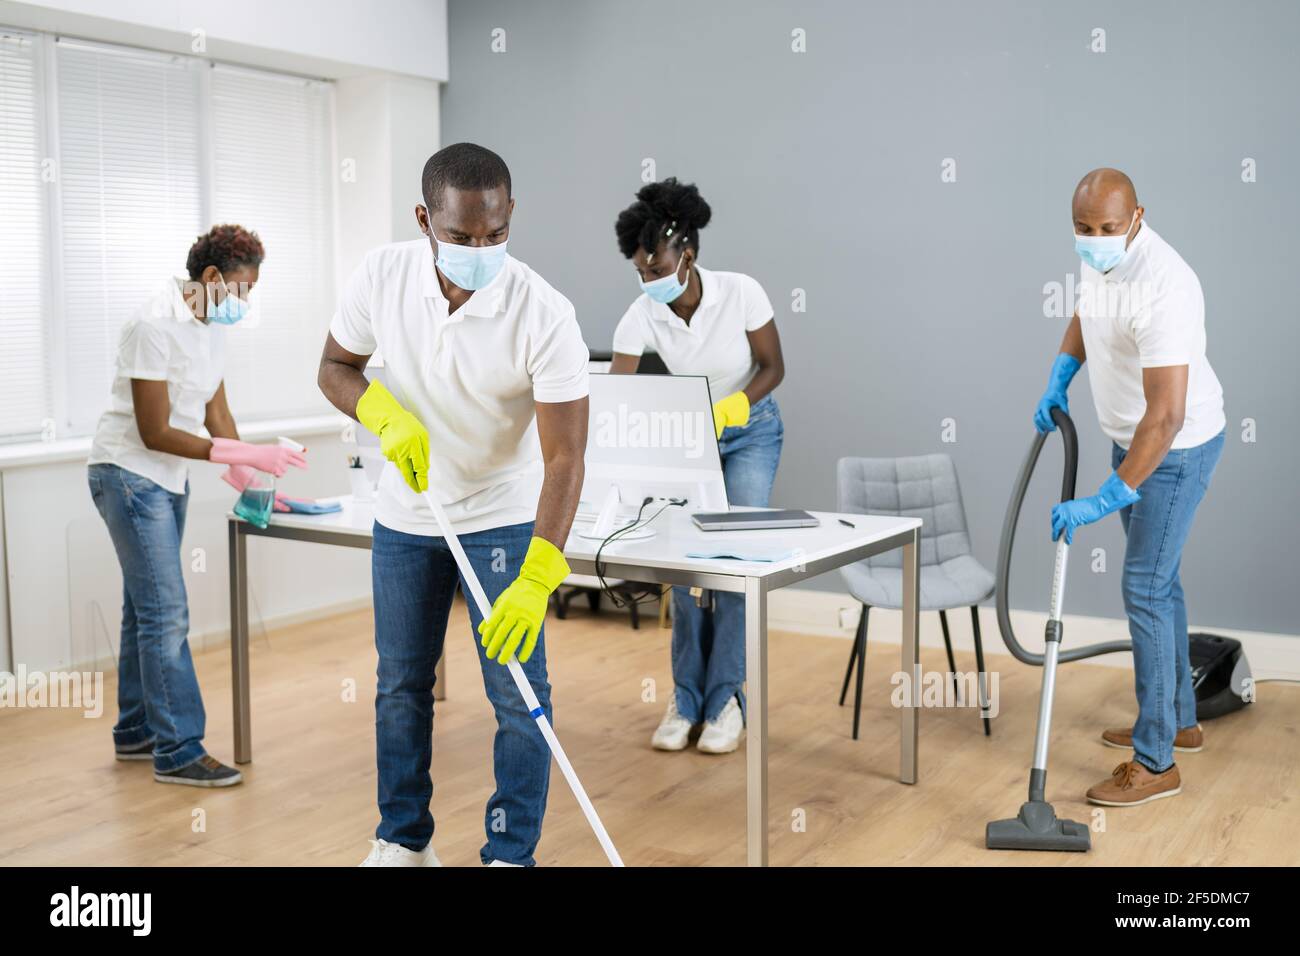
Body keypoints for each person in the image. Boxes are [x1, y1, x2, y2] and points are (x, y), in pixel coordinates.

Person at [318, 143, 590, 867]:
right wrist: (380, 413)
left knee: (518, 693)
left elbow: (566, 457)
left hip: (499, 513)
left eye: (496, 235)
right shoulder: (382, 275)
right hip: (407, 515)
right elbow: (335, 367)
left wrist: (538, 576)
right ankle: (403, 839)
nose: (481, 250)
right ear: (424, 220)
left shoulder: (545, 313)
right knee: (401, 684)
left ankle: (510, 851)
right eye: (463, 237)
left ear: (510, 217)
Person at [87, 224, 307, 787]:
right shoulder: (152, 323)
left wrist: (255, 479)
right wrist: (238, 453)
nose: (247, 302)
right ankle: (179, 749)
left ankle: (137, 731)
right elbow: (154, 430)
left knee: (145, 610)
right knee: (167, 613)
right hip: (129, 475)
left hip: (167, 479)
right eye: (244, 289)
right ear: (212, 278)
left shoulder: (210, 329)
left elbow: (217, 418)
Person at [1034, 167, 1225, 807]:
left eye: (1108, 229)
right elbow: (1088, 314)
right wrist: (1060, 375)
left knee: (1143, 587)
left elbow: (1166, 416)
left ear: (1137, 217)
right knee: (1159, 584)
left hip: (1175, 447)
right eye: (1082, 230)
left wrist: (1107, 495)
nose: (1093, 240)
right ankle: (1182, 722)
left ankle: (1156, 760)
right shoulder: (1102, 260)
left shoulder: (1166, 285)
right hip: (1133, 440)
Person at [610, 178, 785, 755]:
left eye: (656, 269)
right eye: (641, 273)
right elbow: (620, 398)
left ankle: (726, 700)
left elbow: (772, 366)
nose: (650, 282)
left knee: (733, 564)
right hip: (687, 445)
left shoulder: (741, 293)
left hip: (751, 432)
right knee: (687, 569)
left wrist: (735, 406)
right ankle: (685, 698)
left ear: (687, 253)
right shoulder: (641, 317)